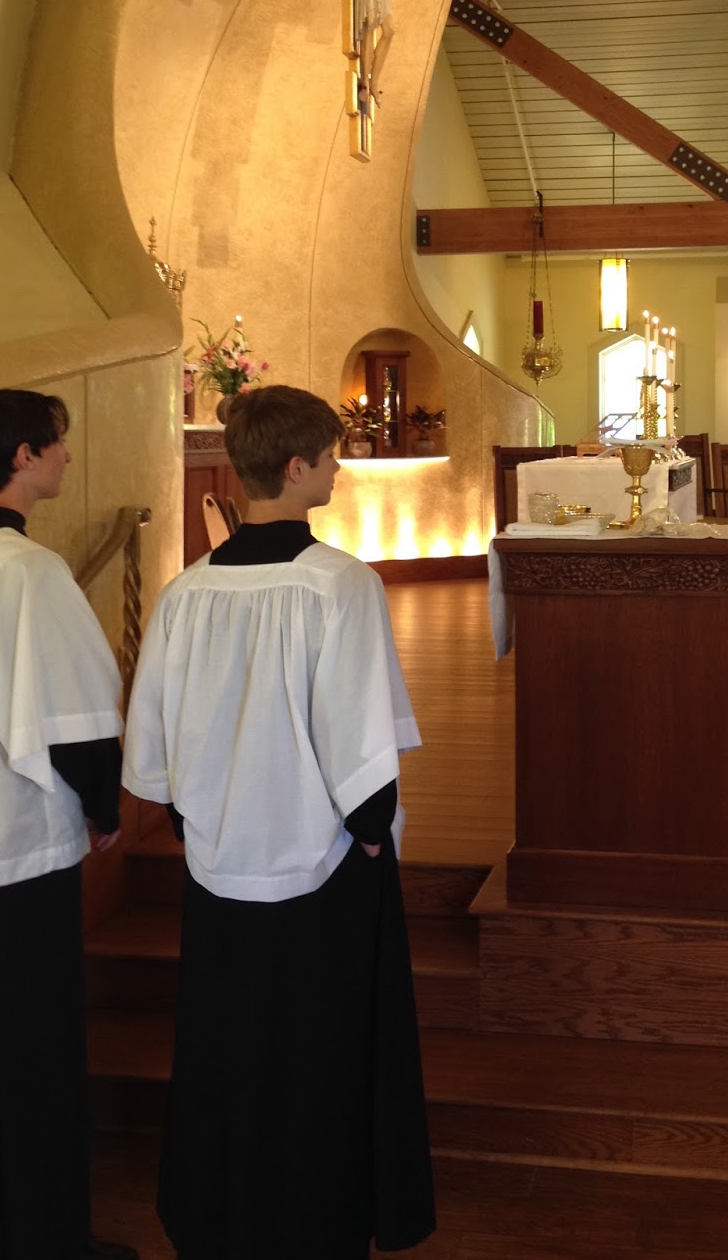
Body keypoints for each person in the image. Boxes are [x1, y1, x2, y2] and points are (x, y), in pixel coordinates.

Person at [123, 384, 434, 1260]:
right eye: (331, 457)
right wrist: (372, 833)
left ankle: (220, 1217)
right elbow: (360, 748)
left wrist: (199, 822)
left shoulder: (186, 594)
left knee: (229, 1047)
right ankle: (316, 1222)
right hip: (325, 869)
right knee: (319, 1054)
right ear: (296, 470)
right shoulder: (339, 586)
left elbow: (154, 749)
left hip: (218, 865)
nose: (337, 468)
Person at [0, 387, 136, 1260]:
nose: (67, 457)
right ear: (20, 457)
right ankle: (48, 1239)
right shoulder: (22, 571)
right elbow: (76, 717)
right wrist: (103, 807)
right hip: (10, 853)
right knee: (33, 1055)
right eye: (57, 442)